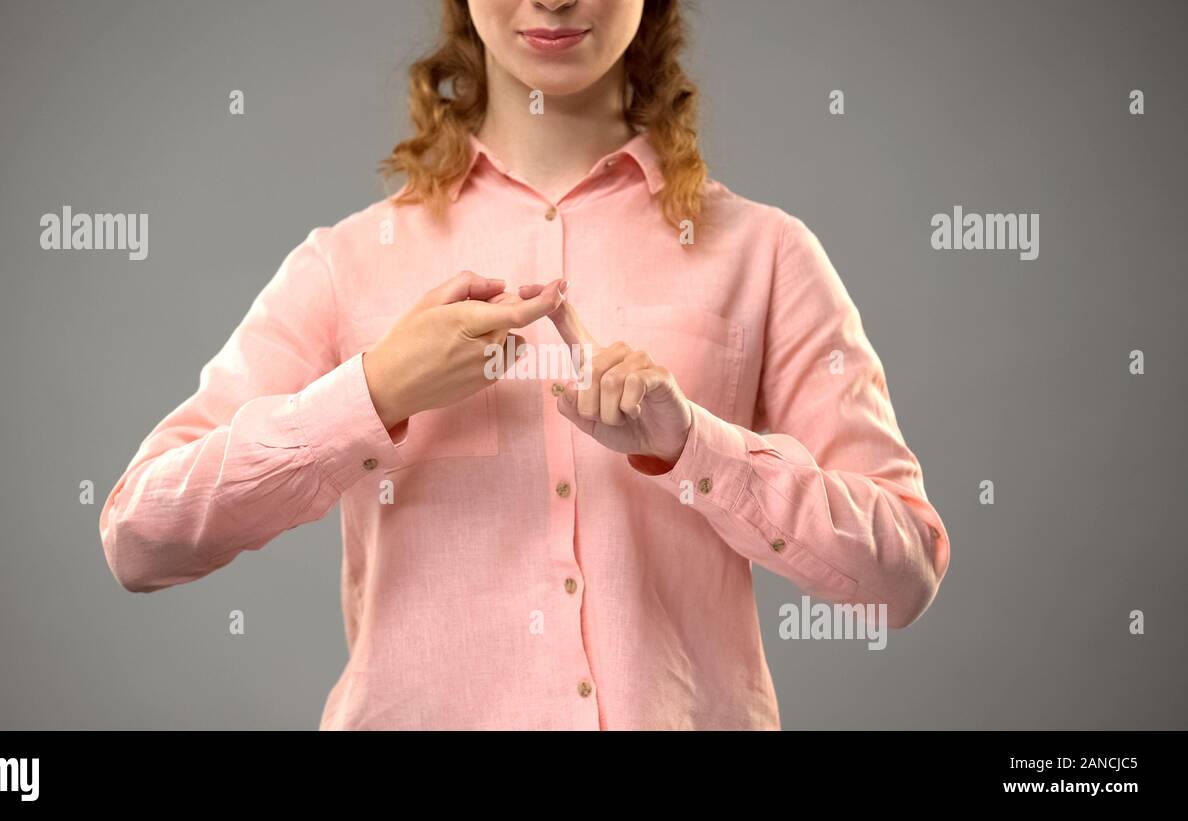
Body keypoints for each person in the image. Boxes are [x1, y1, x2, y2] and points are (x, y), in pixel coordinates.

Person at [99, 0, 951, 730]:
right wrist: (374, 391)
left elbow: (901, 571)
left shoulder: (765, 254)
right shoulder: (344, 263)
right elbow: (140, 536)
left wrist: (695, 448)